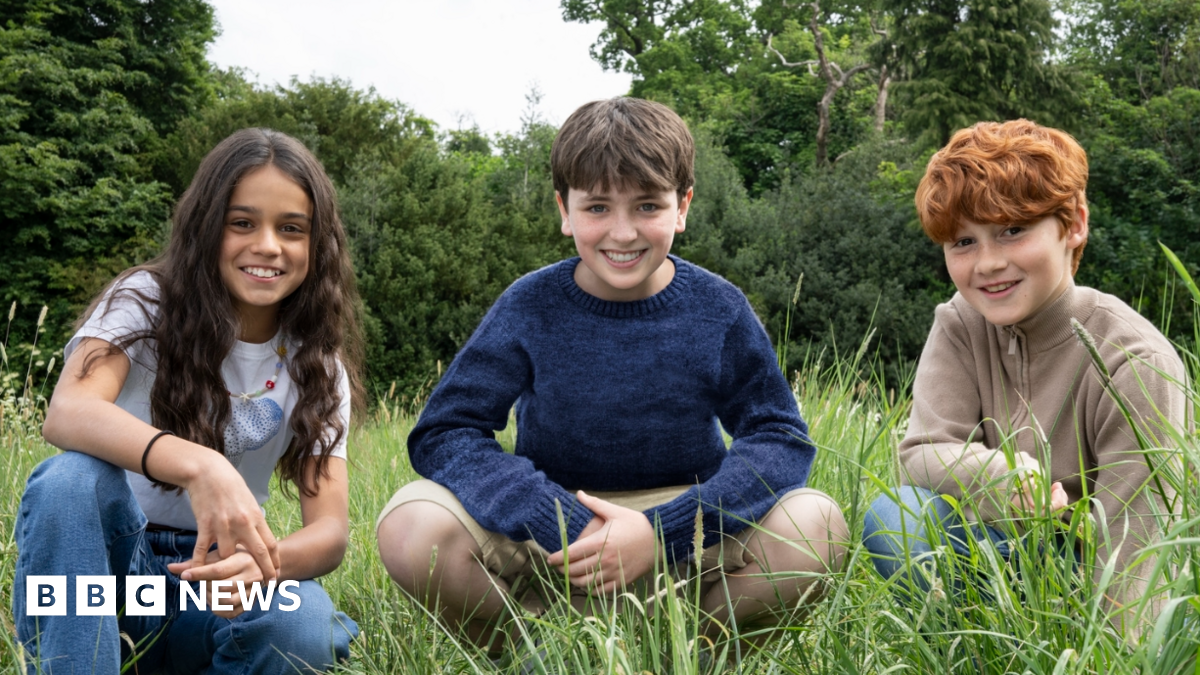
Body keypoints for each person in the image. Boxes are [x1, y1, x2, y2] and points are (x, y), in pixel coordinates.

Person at [376, 97, 848, 654]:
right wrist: (558, 518)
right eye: (597, 207)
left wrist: (662, 531)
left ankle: (680, 653)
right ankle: (546, 648)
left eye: (647, 205)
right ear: (564, 209)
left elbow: (778, 436)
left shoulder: (718, 308)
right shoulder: (530, 304)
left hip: (684, 535)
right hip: (551, 535)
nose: (622, 233)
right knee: (409, 526)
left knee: (818, 524)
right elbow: (445, 432)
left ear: (682, 207)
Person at [13, 128, 363, 673]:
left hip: (218, 588)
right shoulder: (143, 300)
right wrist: (202, 466)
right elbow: (68, 411)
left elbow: (330, 533)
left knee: (302, 618)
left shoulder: (318, 364)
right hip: (110, 582)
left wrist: (264, 565)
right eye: (241, 222)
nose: (268, 245)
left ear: (318, 246)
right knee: (70, 479)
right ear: (205, 226)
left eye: (291, 229)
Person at [861, 119, 1187, 635]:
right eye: (963, 241)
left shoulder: (1135, 358)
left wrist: (1117, 654)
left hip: (1090, 578)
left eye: (1013, 230)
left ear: (1074, 224)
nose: (988, 263)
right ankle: (967, 659)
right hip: (992, 557)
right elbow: (921, 451)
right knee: (895, 514)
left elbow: (1137, 540)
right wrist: (1006, 478)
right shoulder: (960, 325)